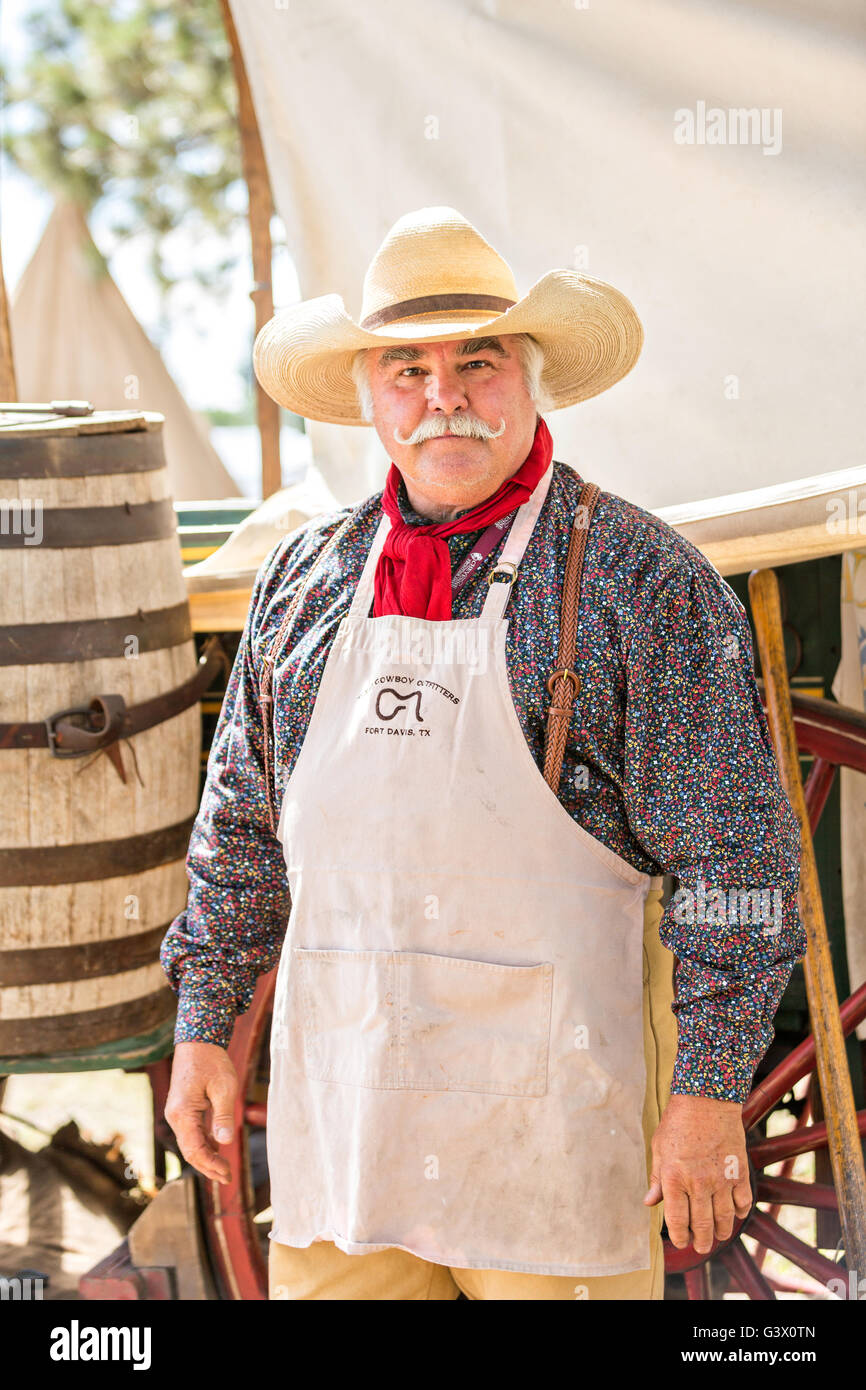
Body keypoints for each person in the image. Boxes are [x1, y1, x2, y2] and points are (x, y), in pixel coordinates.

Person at [161, 207, 805, 1301]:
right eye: (405, 367)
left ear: (531, 374)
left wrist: (704, 1092)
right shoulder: (303, 581)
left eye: (478, 360)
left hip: (552, 1136)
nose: (442, 394)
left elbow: (735, 858)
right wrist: (205, 1024)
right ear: (366, 393)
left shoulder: (636, 579)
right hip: (349, 1130)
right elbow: (241, 828)